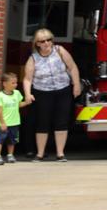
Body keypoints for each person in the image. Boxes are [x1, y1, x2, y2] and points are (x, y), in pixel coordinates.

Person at [22, 28, 81, 162]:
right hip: (42, 92)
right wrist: (27, 94)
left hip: (63, 90)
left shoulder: (60, 50)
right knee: (42, 122)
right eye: (43, 41)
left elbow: (72, 67)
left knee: (61, 121)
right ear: (37, 43)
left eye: (49, 40)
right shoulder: (33, 58)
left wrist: (76, 84)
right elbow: (27, 79)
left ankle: (60, 154)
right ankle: (40, 154)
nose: (47, 43)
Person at [0, 72, 30, 165]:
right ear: (5, 84)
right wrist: (2, 122)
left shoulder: (17, 93)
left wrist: (26, 102)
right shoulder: (0, 95)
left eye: (16, 83)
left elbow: (19, 104)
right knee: (0, 139)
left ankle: (10, 155)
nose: (15, 85)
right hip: (4, 123)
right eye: (13, 83)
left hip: (15, 122)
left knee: (12, 140)